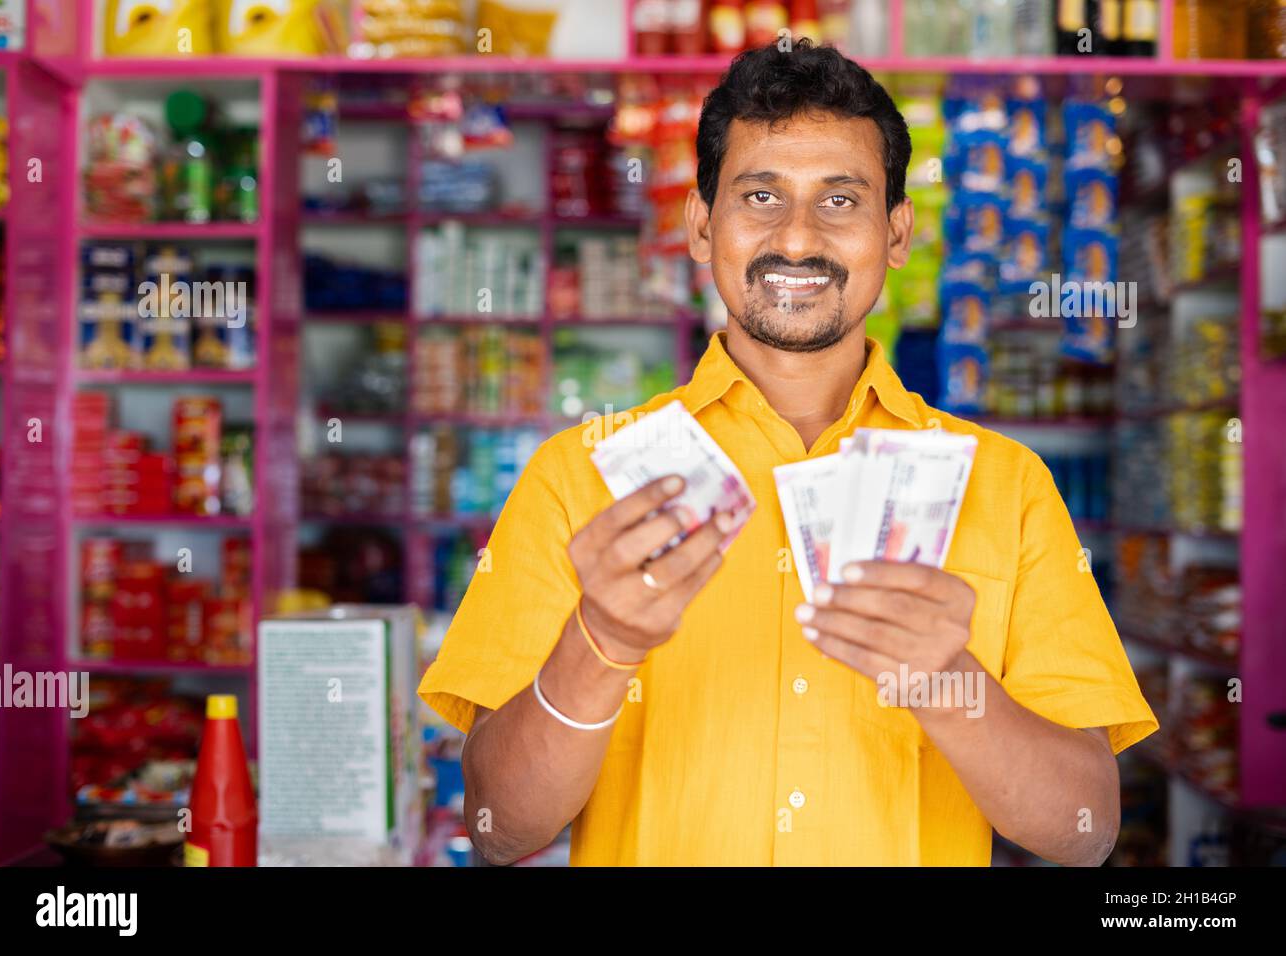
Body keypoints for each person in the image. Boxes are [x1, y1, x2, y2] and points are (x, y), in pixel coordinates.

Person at [418, 41, 1157, 866]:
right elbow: (499, 830)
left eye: (841, 199)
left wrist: (946, 683)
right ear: (702, 225)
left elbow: (1085, 833)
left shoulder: (1006, 486)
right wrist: (601, 642)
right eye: (760, 195)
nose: (798, 239)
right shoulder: (577, 475)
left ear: (898, 231)